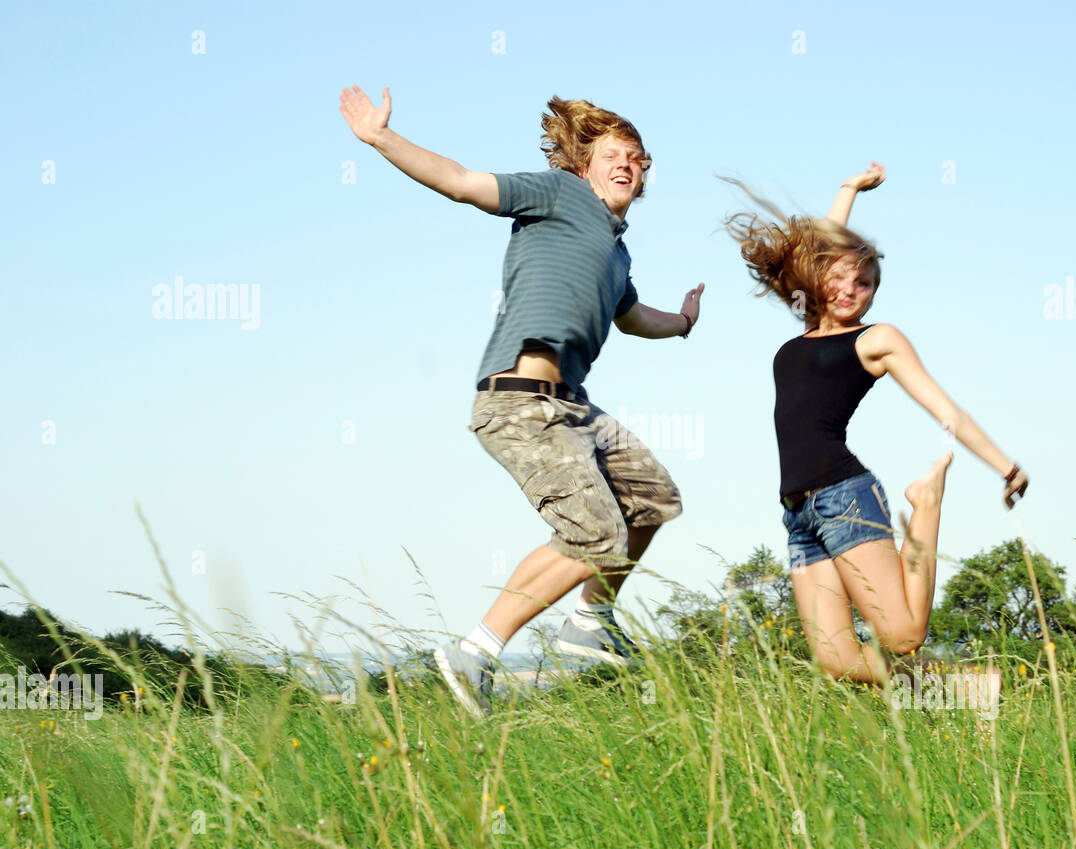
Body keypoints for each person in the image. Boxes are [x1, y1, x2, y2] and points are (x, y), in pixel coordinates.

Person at [339, 86, 703, 716]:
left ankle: (592, 619)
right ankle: (474, 652)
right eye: (615, 153)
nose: (628, 164)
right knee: (593, 531)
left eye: (638, 159)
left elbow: (632, 315)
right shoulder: (558, 195)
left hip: (574, 407)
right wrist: (381, 138)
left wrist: (684, 321)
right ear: (584, 163)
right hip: (518, 400)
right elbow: (459, 181)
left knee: (652, 498)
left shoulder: (616, 251)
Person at [723, 163, 1028, 685]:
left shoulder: (875, 340)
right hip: (797, 511)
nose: (849, 289)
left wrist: (1007, 467)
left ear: (874, 292)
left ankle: (926, 504)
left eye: (862, 282)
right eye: (838, 277)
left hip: (844, 496)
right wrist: (847, 189)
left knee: (903, 636)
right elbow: (820, 247)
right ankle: (968, 688)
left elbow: (947, 409)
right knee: (836, 662)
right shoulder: (807, 330)